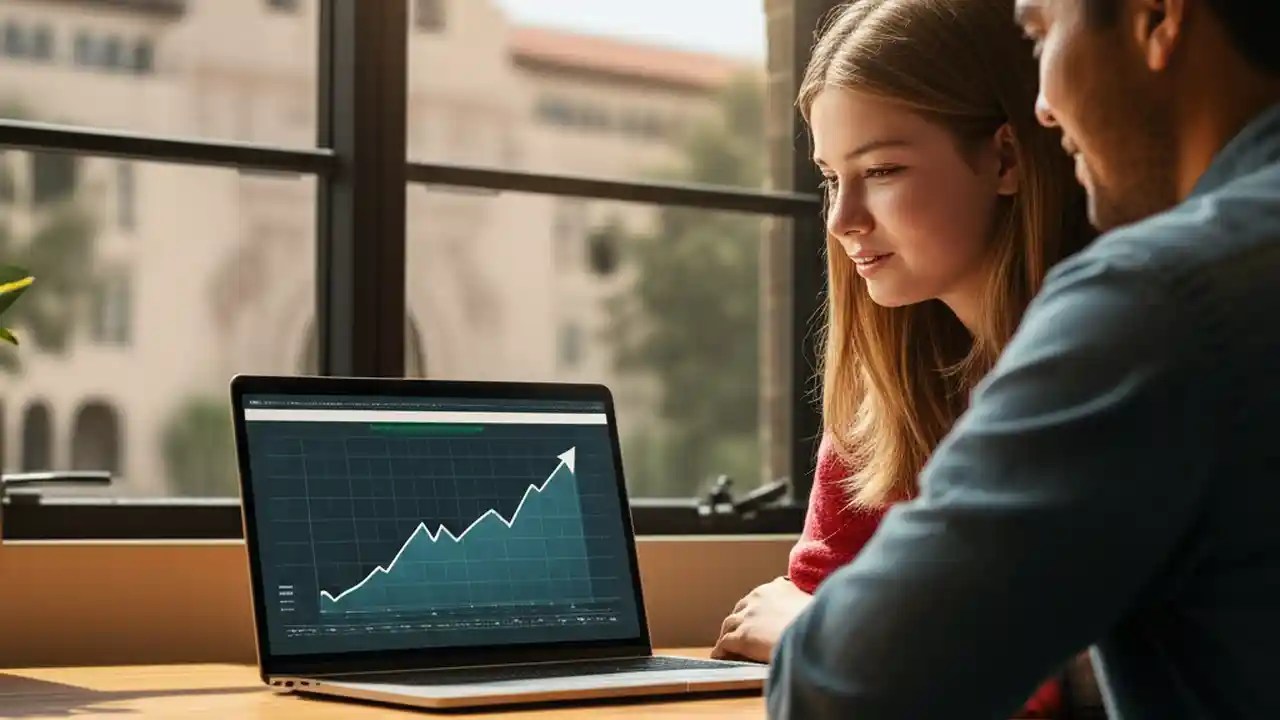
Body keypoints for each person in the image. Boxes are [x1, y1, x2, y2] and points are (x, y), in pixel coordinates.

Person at [765, 0, 1280, 716]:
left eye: (1041, 31)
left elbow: (845, 684)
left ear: (1158, 16)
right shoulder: (893, 379)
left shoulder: (1156, 305)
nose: (1043, 105)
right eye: (830, 177)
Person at [712, 0, 1092, 714]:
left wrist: (824, 635)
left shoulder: (1096, 368)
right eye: (831, 177)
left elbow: (1039, 679)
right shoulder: (884, 390)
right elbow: (826, 588)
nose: (841, 219)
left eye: (882, 170)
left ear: (1005, 159)